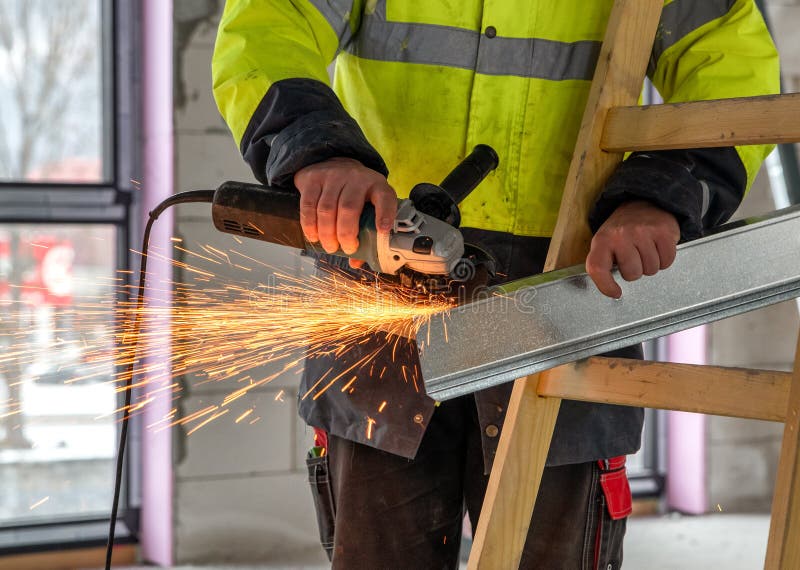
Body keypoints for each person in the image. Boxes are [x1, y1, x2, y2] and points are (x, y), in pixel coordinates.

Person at [212, 1, 779, 567]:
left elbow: (731, 66)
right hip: (384, 272)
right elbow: (269, 21)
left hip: (565, 291)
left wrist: (661, 192)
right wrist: (319, 151)